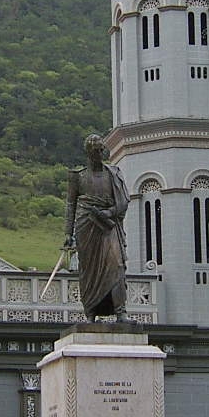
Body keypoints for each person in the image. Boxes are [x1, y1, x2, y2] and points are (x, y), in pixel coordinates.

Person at [65, 133, 129, 321]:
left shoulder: (114, 174)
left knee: (116, 264)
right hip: (86, 227)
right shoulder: (78, 177)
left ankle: (120, 311)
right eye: (94, 151)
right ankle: (91, 313)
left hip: (109, 226)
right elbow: (70, 205)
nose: (98, 154)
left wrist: (109, 213)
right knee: (89, 271)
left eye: (100, 150)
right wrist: (68, 233)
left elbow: (124, 200)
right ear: (88, 153)